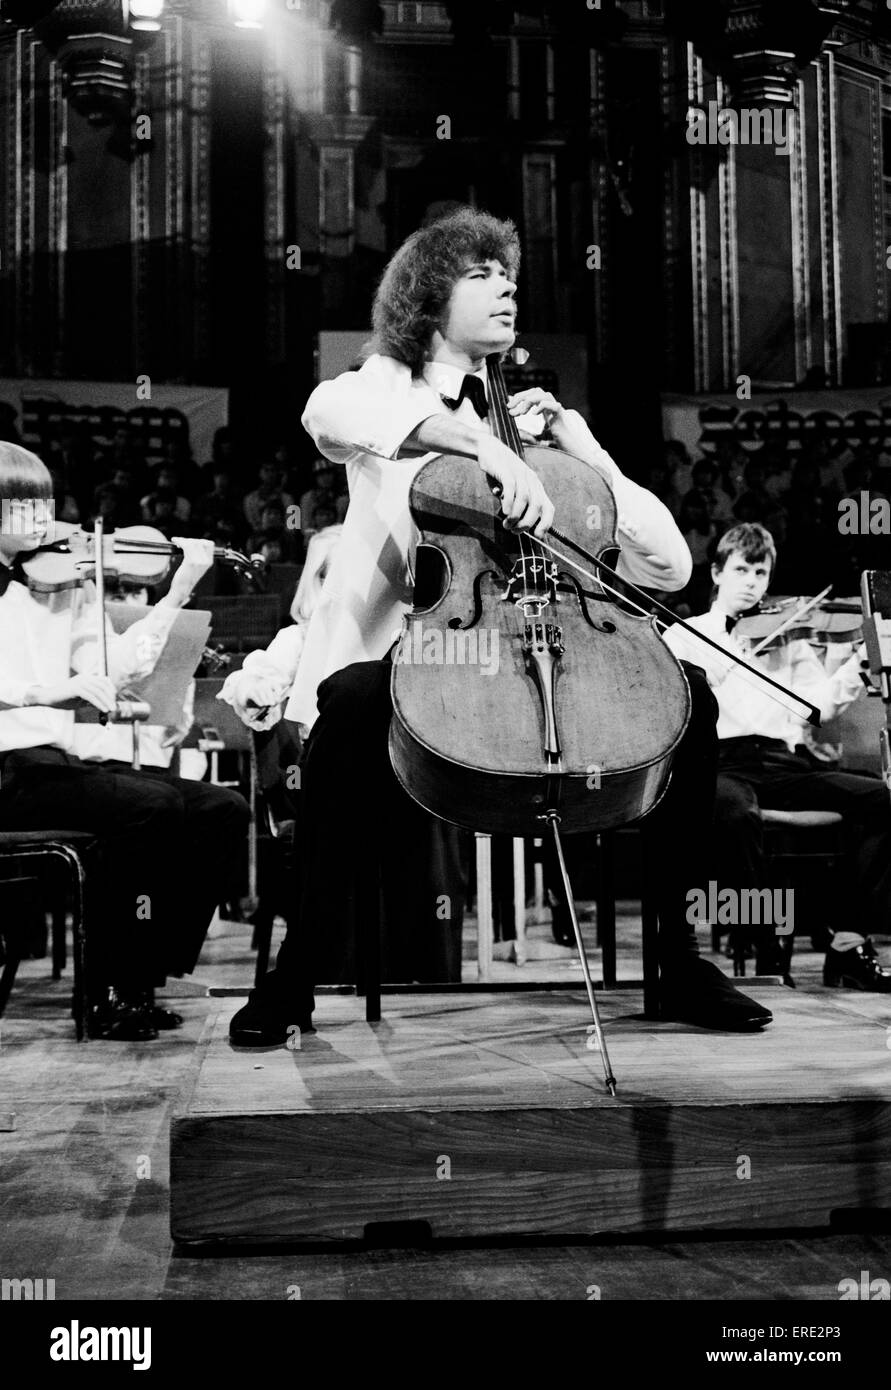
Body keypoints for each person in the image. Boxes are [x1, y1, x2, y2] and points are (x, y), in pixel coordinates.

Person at [229, 206, 772, 1048]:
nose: (506, 285)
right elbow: (325, 416)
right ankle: (297, 972)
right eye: (479, 274)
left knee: (687, 697)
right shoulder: (383, 387)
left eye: (507, 273)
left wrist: (585, 452)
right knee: (354, 704)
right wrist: (479, 447)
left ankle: (679, 958)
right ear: (424, 298)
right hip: (428, 658)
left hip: (539, 659)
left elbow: (665, 567)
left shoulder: (539, 423)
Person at [0, 442, 250, 1039]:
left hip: (51, 768)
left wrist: (179, 588)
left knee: (221, 808)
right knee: (148, 806)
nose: (40, 516)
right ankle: (106, 987)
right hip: (5, 773)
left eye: (45, 501)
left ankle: (141, 975)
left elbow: (123, 669)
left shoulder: (67, 581)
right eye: (20, 503)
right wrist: (46, 693)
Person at [662, 522, 891, 990]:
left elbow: (818, 708)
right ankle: (766, 946)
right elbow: (668, 708)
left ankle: (847, 940)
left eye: (761, 572)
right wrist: (704, 681)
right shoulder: (687, 636)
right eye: (742, 569)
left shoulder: (788, 635)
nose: (752, 582)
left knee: (882, 800)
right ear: (718, 572)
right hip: (720, 762)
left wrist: (858, 664)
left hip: (783, 763)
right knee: (733, 813)